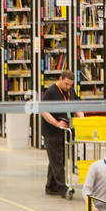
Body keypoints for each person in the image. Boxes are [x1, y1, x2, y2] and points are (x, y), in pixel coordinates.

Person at [40, 70, 77, 198]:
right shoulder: (51, 91)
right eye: (66, 84)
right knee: (57, 161)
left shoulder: (71, 91)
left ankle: (51, 187)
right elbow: (43, 111)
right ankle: (63, 189)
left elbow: (77, 106)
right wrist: (56, 123)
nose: (68, 87)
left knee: (56, 160)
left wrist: (82, 120)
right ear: (60, 79)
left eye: (70, 85)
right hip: (52, 132)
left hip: (65, 131)